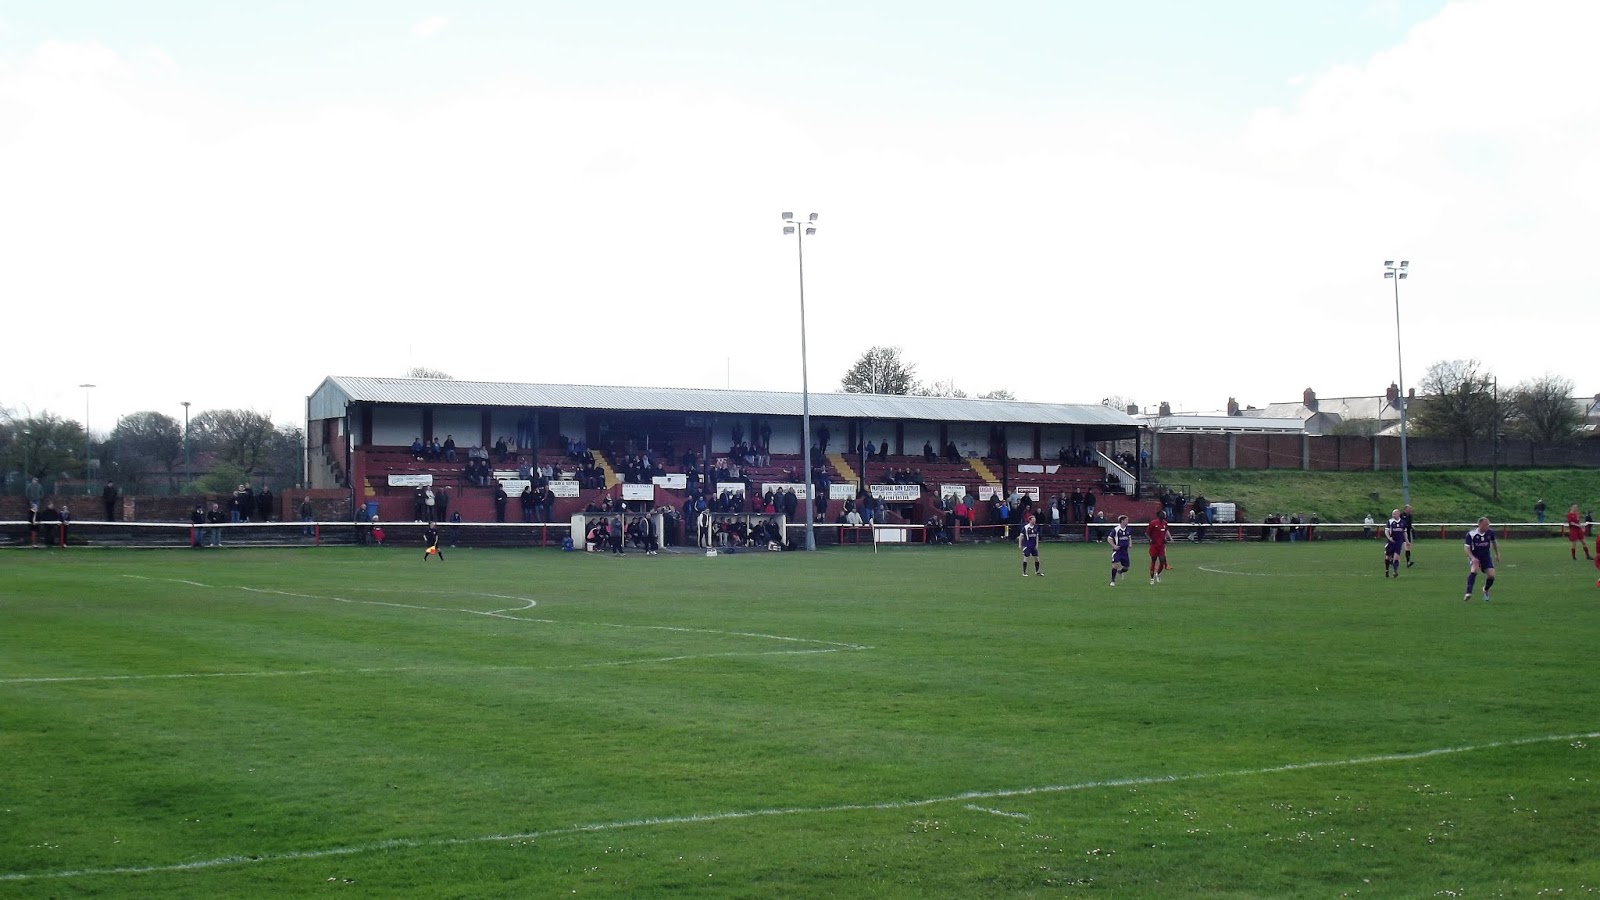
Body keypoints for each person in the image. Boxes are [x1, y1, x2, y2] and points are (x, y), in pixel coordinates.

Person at [1463, 517, 1500, 602]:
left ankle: (1486, 589)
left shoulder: (1490, 533)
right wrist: (1472, 558)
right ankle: (1468, 593)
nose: (1487, 527)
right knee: (1474, 570)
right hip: (1475, 557)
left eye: (1488, 525)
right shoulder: (1471, 534)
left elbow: (1494, 543)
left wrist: (1497, 554)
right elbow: (1466, 548)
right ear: (1479, 524)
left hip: (1486, 558)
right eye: (1485, 525)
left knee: (1491, 576)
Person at [1108, 514, 1132, 586]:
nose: (1127, 521)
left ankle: (1120, 571)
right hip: (1117, 551)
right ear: (1122, 521)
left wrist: (1130, 543)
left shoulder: (1128, 529)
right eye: (1126, 520)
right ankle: (1112, 581)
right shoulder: (1116, 530)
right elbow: (1109, 538)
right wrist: (1114, 546)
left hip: (1125, 551)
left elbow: (1129, 537)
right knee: (1115, 565)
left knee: (1126, 567)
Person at [1146, 510, 1170, 584]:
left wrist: (1165, 539)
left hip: (1161, 546)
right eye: (1162, 514)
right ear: (1159, 515)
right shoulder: (1153, 523)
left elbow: (1165, 531)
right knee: (1153, 561)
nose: (1164, 515)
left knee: (1162, 561)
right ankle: (1152, 578)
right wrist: (1150, 539)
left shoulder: (1165, 523)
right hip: (1154, 546)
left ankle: (1158, 574)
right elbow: (1146, 533)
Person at [1383, 509, 1405, 578]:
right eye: (1393, 514)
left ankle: (1395, 571)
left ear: (1398, 514)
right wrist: (1389, 538)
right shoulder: (1390, 521)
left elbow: (1404, 532)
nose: (1393, 515)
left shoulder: (1403, 522)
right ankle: (1387, 570)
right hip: (1391, 542)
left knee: (1396, 557)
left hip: (1399, 541)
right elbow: (1386, 531)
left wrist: (1407, 541)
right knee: (1388, 557)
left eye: (1394, 514)